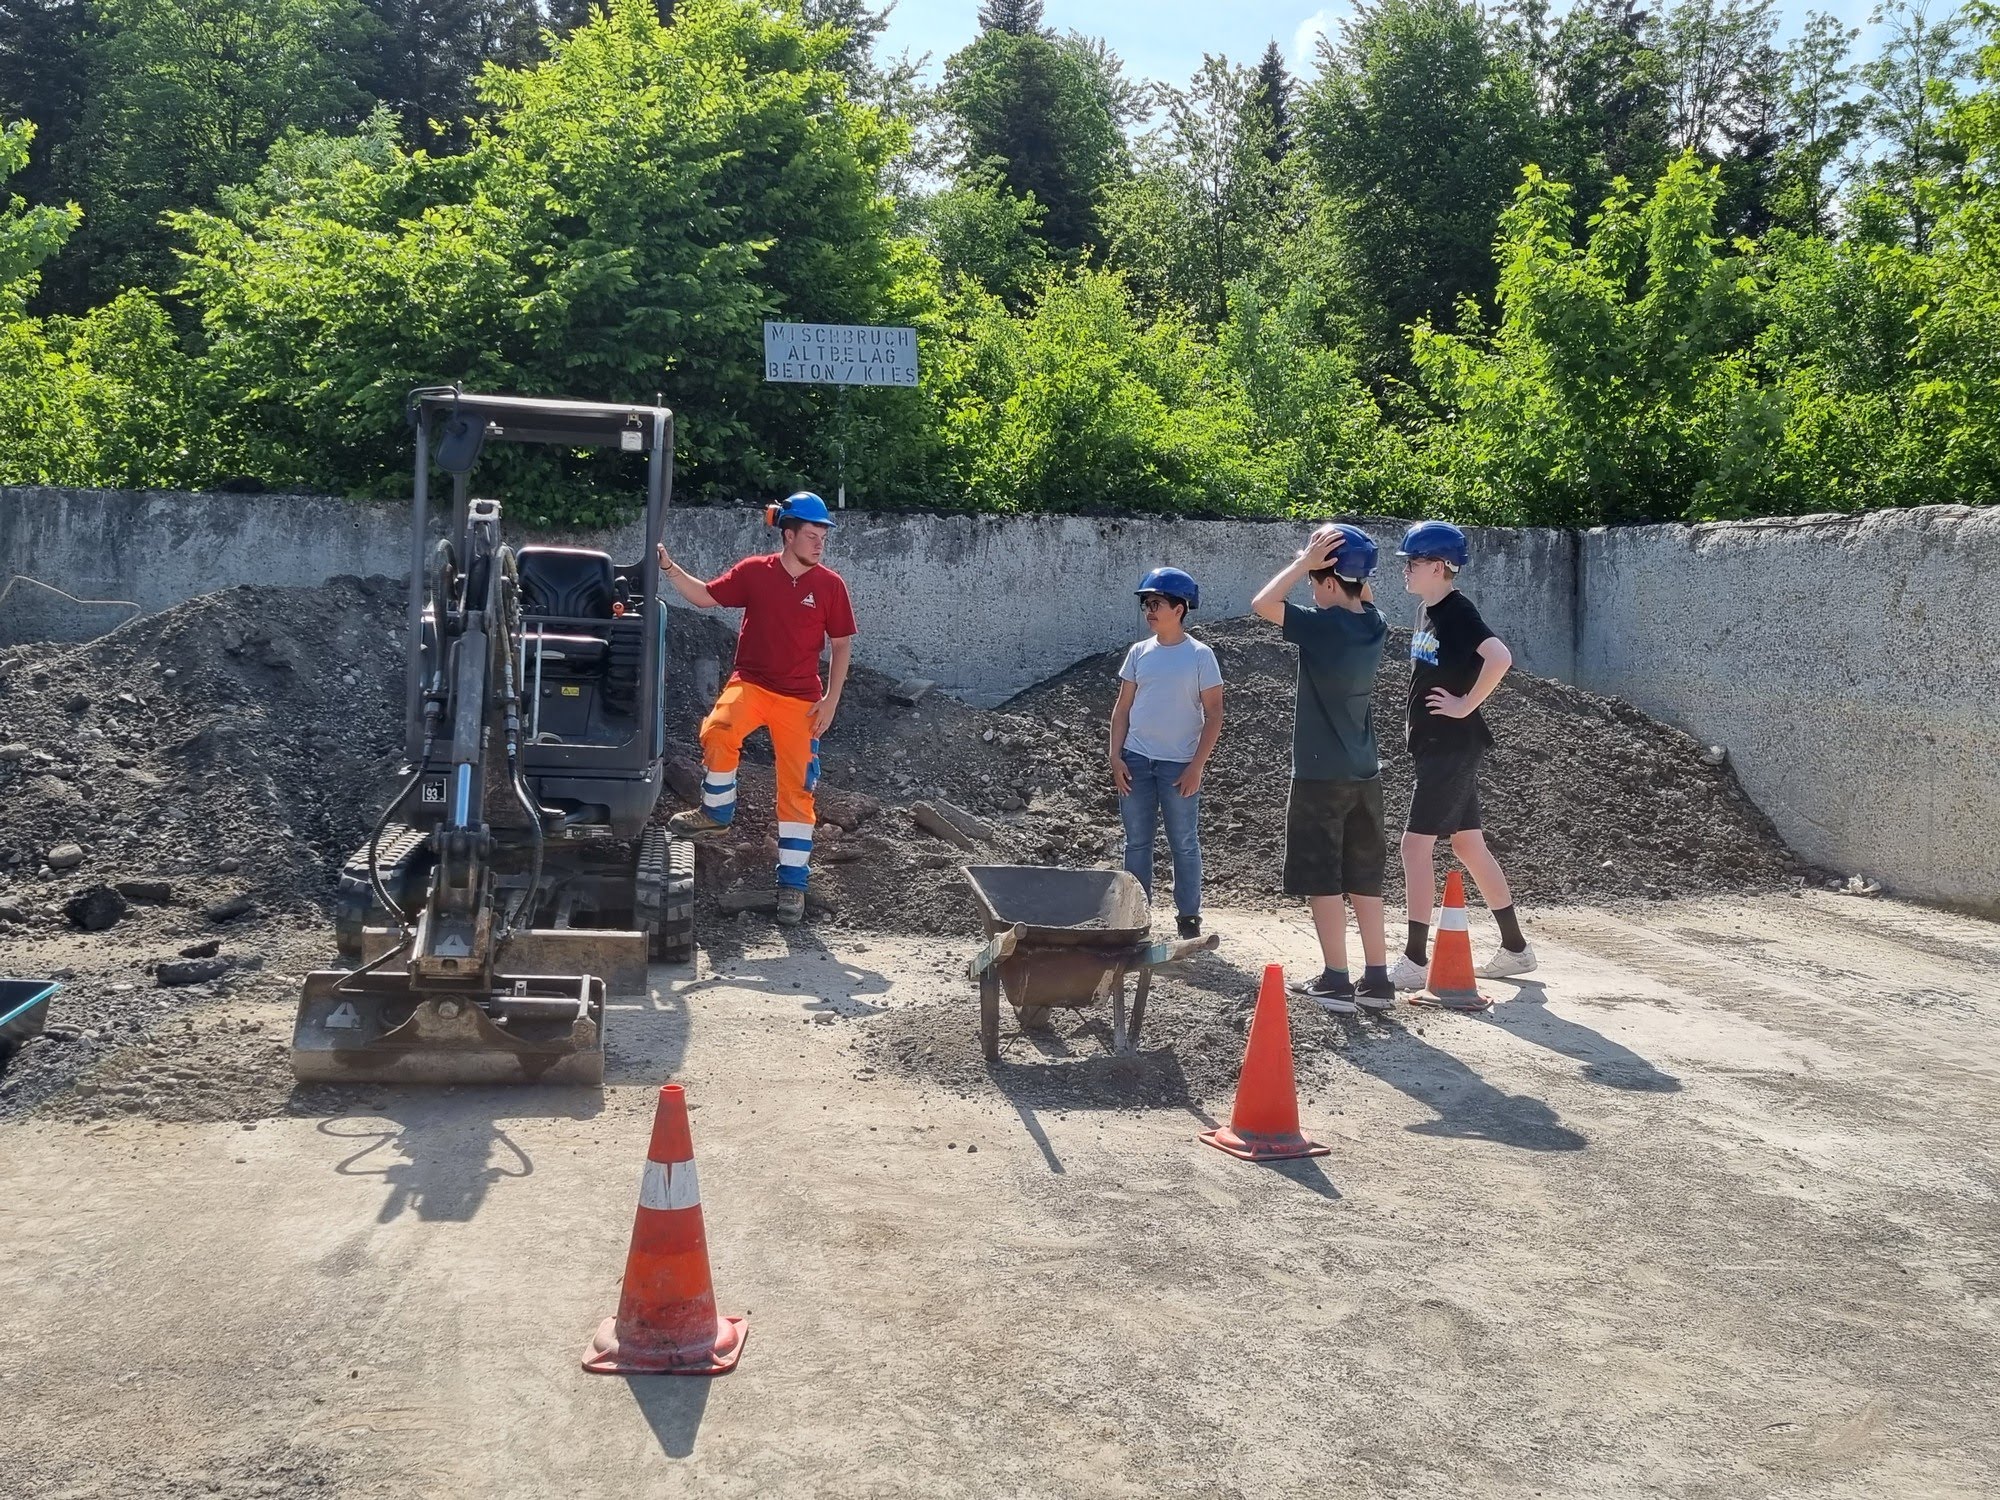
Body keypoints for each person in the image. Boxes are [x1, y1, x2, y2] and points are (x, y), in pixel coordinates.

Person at [656, 491, 856, 925]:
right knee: (719, 729)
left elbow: (841, 646)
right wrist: (670, 569)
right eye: (811, 535)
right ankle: (715, 812)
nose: (820, 543)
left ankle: (792, 887)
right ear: (788, 534)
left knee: (797, 794)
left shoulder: (830, 586)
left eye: (823, 536)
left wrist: (831, 701)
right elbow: (706, 597)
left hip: (803, 701)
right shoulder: (754, 573)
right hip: (751, 684)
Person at [1250, 524, 1395, 1014]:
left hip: (1318, 775)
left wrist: (1301, 563)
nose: (1312, 588)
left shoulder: (1323, 626)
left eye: (1316, 581)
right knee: (1364, 877)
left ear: (1330, 582)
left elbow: (1262, 604)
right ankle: (1377, 981)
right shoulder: (1374, 623)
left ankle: (1336, 980)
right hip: (1365, 775)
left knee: (1324, 880)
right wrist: (1333, 562)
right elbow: (1361, 591)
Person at [1389, 520, 1537, 993]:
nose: (1406, 571)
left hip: (1451, 748)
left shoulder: (1456, 611)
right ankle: (1516, 949)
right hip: (1439, 746)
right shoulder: (1425, 612)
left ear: (1438, 566)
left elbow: (1500, 657)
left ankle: (1414, 961)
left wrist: (1464, 705)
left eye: (1412, 563)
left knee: (1414, 847)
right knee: (1468, 844)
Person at [1108, 567, 1223, 939]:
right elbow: (1122, 707)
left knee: (1184, 842)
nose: (1149, 611)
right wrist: (1115, 756)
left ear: (1180, 608)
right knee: (1136, 842)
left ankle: (1188, 919)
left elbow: (1215, 713)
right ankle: (1136, 918)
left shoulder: (1200, 656)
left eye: (1156, 603)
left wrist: (1196, 768)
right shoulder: (1138, 653)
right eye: (1146, 604)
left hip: (1179, 765)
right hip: (1137, 759)